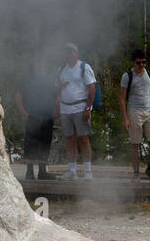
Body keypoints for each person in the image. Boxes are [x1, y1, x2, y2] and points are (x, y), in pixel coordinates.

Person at [119, 48, 150, 181]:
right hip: (134, 111)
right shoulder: (127, 76)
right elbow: (122, 98)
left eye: (144, 62)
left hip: (149, 111)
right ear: (134, 62)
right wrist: (125, 118)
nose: (142, 65)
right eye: (139, 63)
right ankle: (136, 173)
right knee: (135, 143)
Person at [55, 42, 96, 180]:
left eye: (72, 52)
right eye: (67, 52)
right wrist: (59, 87)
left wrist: (88, 109)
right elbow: (57, 90)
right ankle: (72, 171)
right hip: (65, 108)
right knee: (69, 139)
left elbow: (91, 89)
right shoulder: (62, 69)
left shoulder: (84, 67)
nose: (69, 54)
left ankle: (88, 171)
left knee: (83, 138)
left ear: (76, 53)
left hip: (80, 107)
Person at [14, 64, 57, 180]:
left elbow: (56, 96)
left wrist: (55, 112)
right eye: (38, 67)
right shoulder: (26, 81)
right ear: (33, 69)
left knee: (45, 143)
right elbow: (18, 96)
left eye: (42, 67)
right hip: (32, 117)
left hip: (47, 117)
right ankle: (29, 172)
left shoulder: (49, 81)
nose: (40, 68)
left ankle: (42, 172)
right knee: (30, 144)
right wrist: (23, 112)